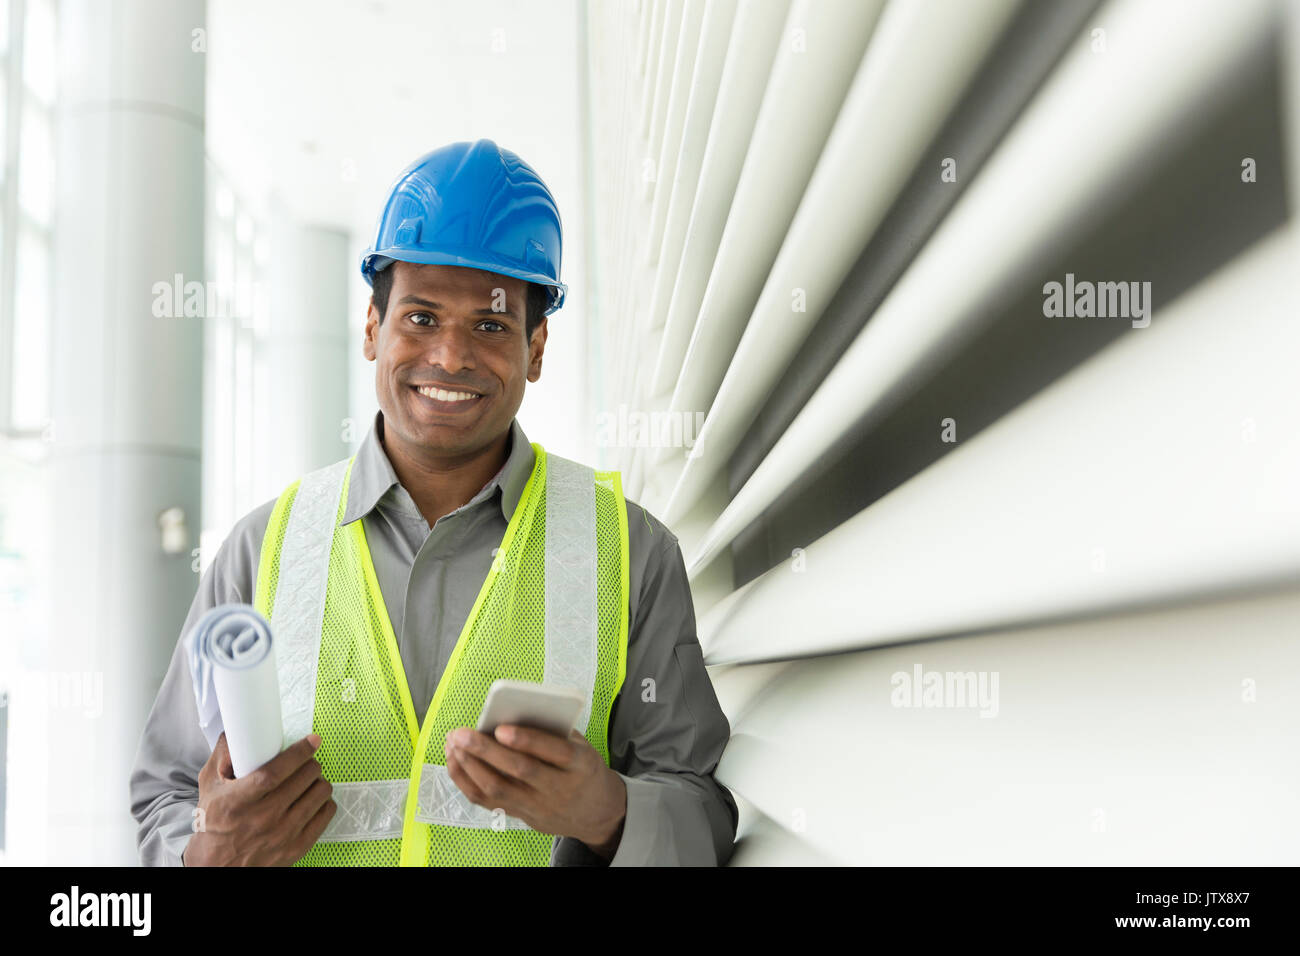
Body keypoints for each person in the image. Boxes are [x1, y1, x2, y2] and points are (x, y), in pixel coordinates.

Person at [128, 138, 738, 866]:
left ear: (535, 348)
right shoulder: (262, 551)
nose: (450, 357)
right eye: (420, 318)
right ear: (371, 329)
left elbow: (701, 811)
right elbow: (166, 790)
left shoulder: (632, 552)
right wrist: (202, 855)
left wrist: (610, 812)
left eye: (489, 325)